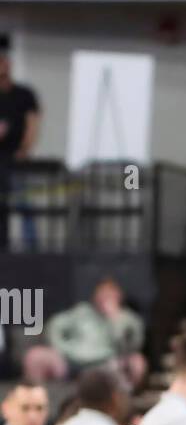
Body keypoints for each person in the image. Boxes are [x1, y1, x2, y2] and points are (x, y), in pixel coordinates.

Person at [24, 278, 147, 390]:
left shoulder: (128, 319)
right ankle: (35, 398)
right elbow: (54, 326)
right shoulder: (82, 311)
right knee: (35, 356)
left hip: (106, 364)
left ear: (119, 296)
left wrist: (114, 320)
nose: (105, 298)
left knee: (137, 362)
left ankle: (121, 404)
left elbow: (132, 346)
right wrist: (60, 349)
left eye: (110, 295)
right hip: (71, 360)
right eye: (102, 293)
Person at [0, 34, 40, 251]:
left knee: (24, 205)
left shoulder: (24, 94)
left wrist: (24, 149)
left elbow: (33, 123)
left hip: (16, 161)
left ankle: (33, 249)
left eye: (5, 61)